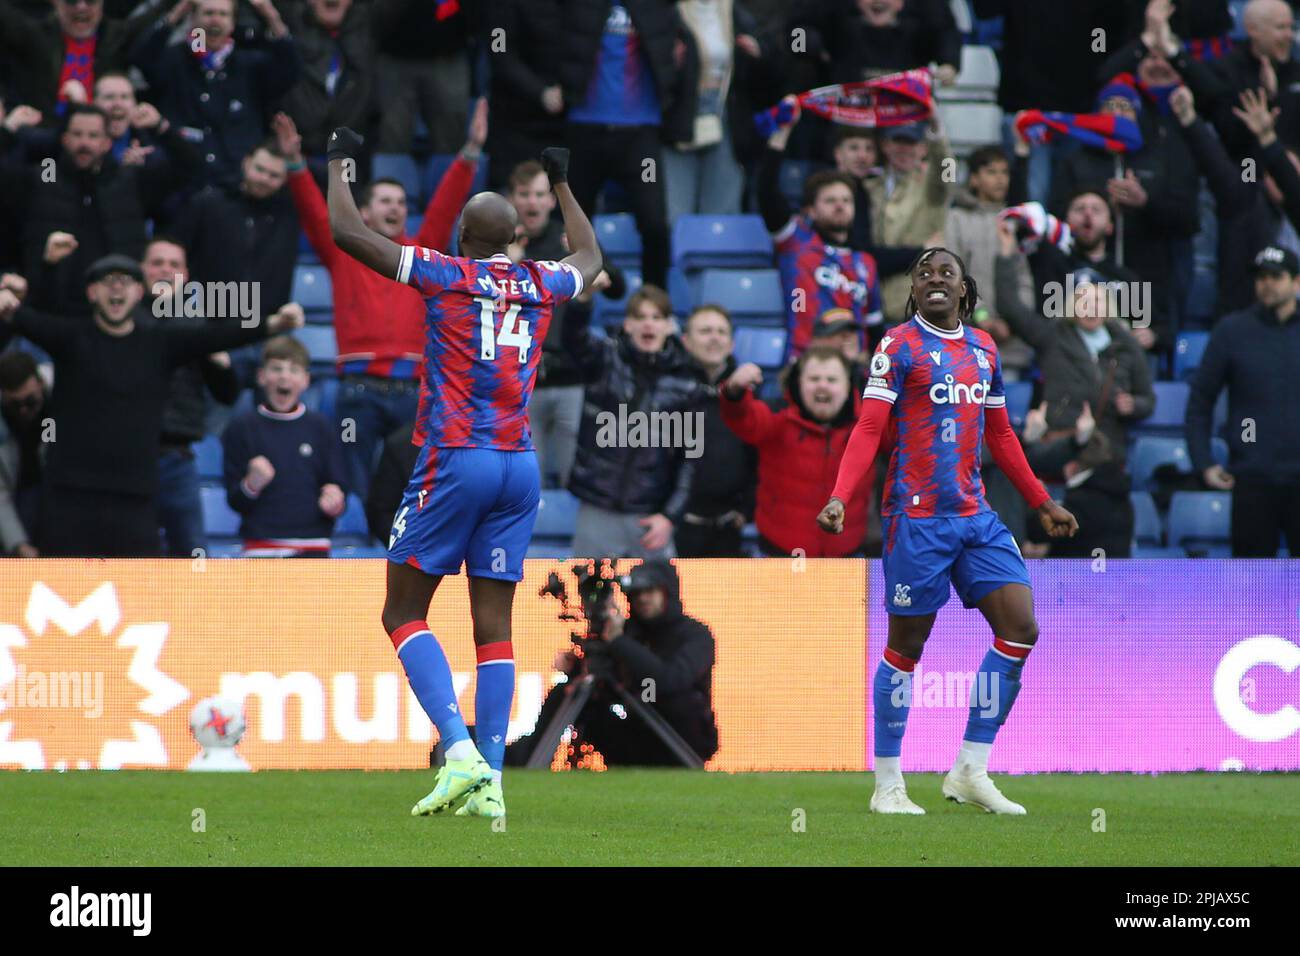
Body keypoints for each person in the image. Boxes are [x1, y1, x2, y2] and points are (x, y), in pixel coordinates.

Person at [326, 129, 601, 818]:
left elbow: (345, 231)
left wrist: (337, 160)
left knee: (401, 610)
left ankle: (458, 752)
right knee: (493, 627)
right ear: (514, 237)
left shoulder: (445, 274)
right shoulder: (541, 281)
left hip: (457, 457)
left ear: (460, 235)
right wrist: (562, 182)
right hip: (520, 466)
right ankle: (495, 787)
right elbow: (591, 257)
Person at [816, 247, 1077, 815]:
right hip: (917, 519)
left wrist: (1041, 502)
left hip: (975, 517)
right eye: (924, 273)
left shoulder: (983, 348)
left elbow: (1001, 437)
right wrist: (840, 496)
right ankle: (888, 784)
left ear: (964, 289)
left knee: (1020, 627)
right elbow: (867, 426)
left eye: (946, 273)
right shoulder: (897, 345)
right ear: (913, 288)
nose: (935, 279)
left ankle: (969, 769)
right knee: (907, 647)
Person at [0, 253, 304, 557]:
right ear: (92, 292)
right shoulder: (69, 337)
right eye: (108, 282)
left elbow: (216, 335)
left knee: (141, 596)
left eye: (126, 281)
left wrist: (272, 324)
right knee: (61, 594)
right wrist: (8, 306)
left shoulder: (159, 343)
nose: (116, 289)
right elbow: (25, 318)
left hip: (135, 497)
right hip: (69, 496)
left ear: (139, 291)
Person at [282, 104, 485, 498]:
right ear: (363, 212)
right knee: (352, 487)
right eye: (385, 200)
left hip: (413, 392)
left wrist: (471, 152)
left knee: (412, 488)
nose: (395, 207)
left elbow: (445, 205)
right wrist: (294, 164)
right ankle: (359, 556)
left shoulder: (422, 254)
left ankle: (400, 556)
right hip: (358, 391)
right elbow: (314, 212)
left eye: (401, 202)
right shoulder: (345, 250)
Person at [994, 225, 1154, 558]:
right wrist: (1007, 255)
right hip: (1056, 451)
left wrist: (1133, 404)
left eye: (1098, 300)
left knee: (1103, 529)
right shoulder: (1053, 336)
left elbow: (1148, 398)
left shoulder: (1127, 344)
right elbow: (1011, 307)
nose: (1092, 307)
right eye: (1083, 300)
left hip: (1104, 459)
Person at [563, 285, 709, 560]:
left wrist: (670, 516)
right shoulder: (604, 360)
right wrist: (583, 298)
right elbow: (573, 337)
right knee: (590, 599)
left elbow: (691, 461)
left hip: (650, 516)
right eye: (640, 317)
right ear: (627, 325)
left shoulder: (689, 383)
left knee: (657, 601)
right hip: (597, 509)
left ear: (669, 326)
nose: (648, 324)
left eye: (656, 317)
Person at [558, 0, 691, 289]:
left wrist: (679, 120)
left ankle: (655, 305)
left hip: (640, 133)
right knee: (570, 226)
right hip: (585, 126)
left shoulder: (659, 7)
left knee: (655, 224)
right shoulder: (576, 7)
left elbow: (686, 55)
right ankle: (588, 297)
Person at [543, 559, 719, 766]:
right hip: (634, 735)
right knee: (571, 694)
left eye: (650, 591)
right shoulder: (628, 631)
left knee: (675, 699)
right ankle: (522, 757)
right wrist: (576, 669)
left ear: (667, 592)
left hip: (684, 739)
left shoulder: (695, 635)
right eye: (636, 593)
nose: (643, 599)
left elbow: (668, 680)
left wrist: (620, 642)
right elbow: (607, 681)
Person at [1185, 245, 1300, 556]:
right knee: (1251, 592)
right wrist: (1204, 462)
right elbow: (1200, 399)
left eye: (1276, 276)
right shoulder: (1232, 330)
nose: (1267, 283)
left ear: (1297, 282)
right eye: (1261, 276)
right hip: (1253, 479)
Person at [759, 97, 883, 359]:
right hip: (803, 364)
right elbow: (766, 191)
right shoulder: (795, 240)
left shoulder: (866, 263)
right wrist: (783, 131)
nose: (839, 206)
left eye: (846, 201)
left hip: (851, 374)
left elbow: (875, 330)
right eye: (830, 201)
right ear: (810, 210)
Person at [131, 0, 300, 190]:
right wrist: (176, 15)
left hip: (236, 181)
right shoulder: (176, 60)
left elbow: (289, 70)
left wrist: (270, 16)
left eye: (223, 14)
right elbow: (142, 58)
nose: (215, 20)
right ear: (194, 18)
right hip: (185, 182)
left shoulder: (249, 64)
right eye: (209, 13)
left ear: (233, 23)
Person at [142, 236, 241, 558]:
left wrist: (220, 363)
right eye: (157, 263)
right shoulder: (121, 322)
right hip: (124, 461)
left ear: (185, 276)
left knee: (194, 559)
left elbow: (227, 394)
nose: (165, 271)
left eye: (174, 265)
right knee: (126, 558)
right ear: (142, 270)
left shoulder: (200, 326)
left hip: (177, 458)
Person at [722, 345, 870, 557]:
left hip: (847, 557)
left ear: (848, 386)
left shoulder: (868, 426)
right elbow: (742, 418)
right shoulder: (778, 417)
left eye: (832, 379)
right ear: (799, 383)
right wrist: (733, 392)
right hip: (778, 556)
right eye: (814, 378)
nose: (823, 385)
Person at [222, 335, 349, 556]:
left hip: (314, 548)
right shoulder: (241, 427)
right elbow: (235, 501)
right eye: (276, 369)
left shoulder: (321, 427)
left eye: (293, 370)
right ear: (261, 376)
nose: (284, 377)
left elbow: (338, 487)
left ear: (306, 380)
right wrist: (251, 485)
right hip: (260, 549)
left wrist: (335, 500)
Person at [944, 144, 1035, 379]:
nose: (1000, 179)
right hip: (967, 339)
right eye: (991, 172)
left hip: (1013, 342)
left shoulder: (1015, 221)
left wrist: (1016, 321)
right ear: (974, 179)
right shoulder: (956, 219)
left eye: (1004, 172)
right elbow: (952, 276)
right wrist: (982, 317)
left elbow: (1024, 279)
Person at [677, 303, 755, 557]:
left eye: (721, 332)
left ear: (732, 344)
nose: (714, 338)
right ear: (686, 341)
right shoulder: (670, 387)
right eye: (706, 330)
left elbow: (760, 455)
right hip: (676, 527)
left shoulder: (749, 394)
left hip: (729, 528)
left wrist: (747, 509)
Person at [0, 348, 46, 556]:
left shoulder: (64, 403)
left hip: (58, 495)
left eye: (30, 402)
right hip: (18, 494)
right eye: (15, 405)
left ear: (41, 384)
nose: (24, 411)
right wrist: (19, 544)